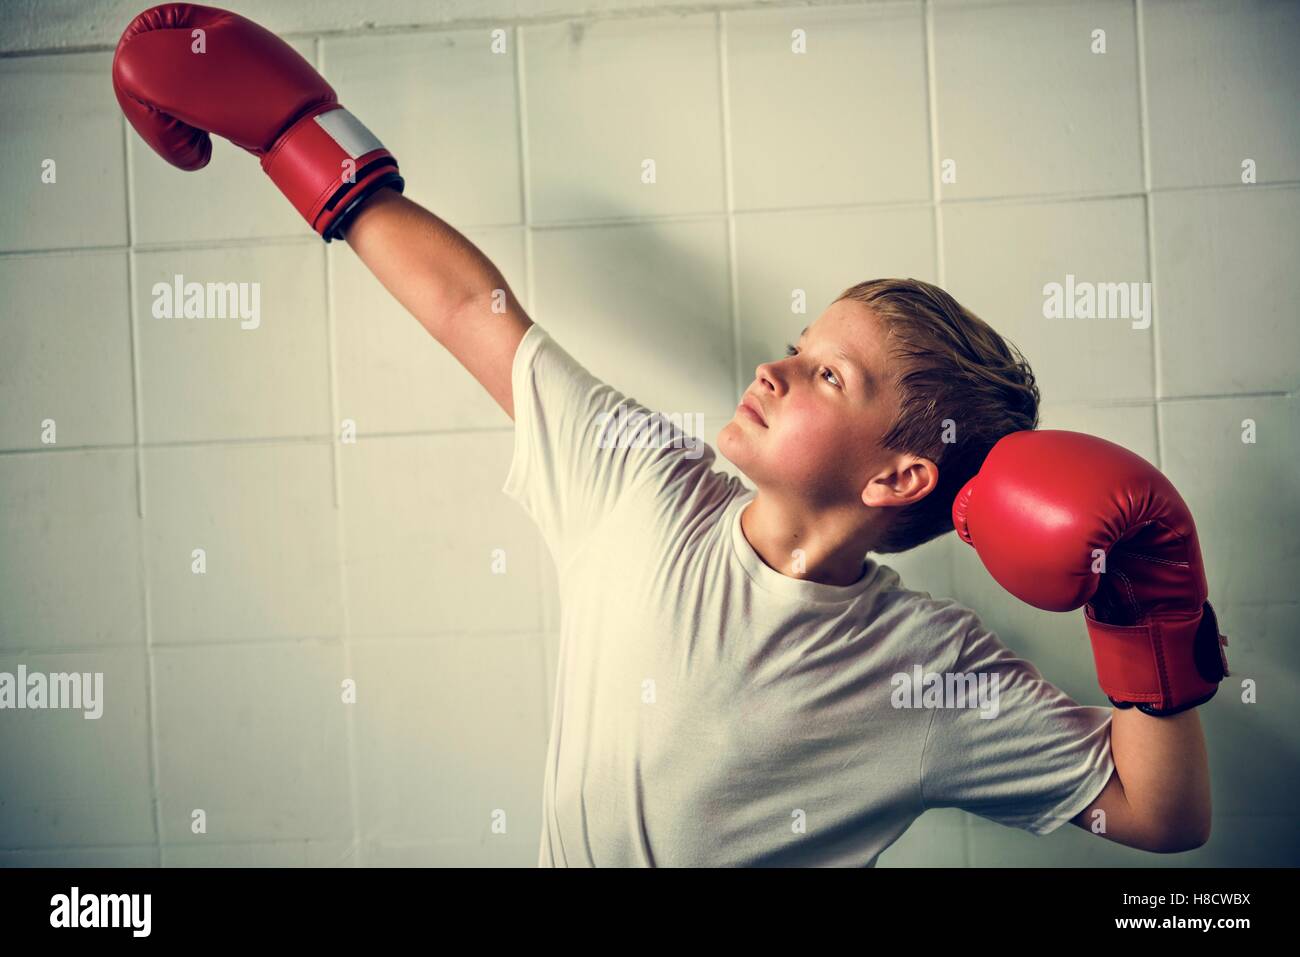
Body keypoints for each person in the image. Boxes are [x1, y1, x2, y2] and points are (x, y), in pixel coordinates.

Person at [113, 3, 1229, 866]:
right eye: (800, 342)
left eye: (824, 373)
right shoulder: (644, 485)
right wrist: (301, 137)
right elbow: (474, 312)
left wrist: (1146, 612)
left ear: (899, 473)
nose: (773, 367)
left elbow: (1159, 818)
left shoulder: (928, 669)